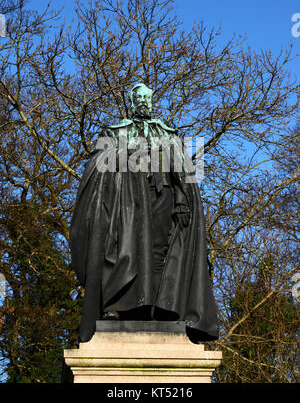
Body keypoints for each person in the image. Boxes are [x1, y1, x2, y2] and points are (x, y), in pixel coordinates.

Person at [70, 83, 219, 343]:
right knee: (123, 250)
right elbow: (97, 162)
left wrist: (183, 200)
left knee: (158, 251)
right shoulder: (115, 132)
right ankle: (118, 306)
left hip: (161, 198)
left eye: (146, 97)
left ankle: (157, 308)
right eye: (138, 96)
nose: (142, 101)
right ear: (130, 100)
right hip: (125, 202)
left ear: (152, 101)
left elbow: (183, 172)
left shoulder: (167, 132)